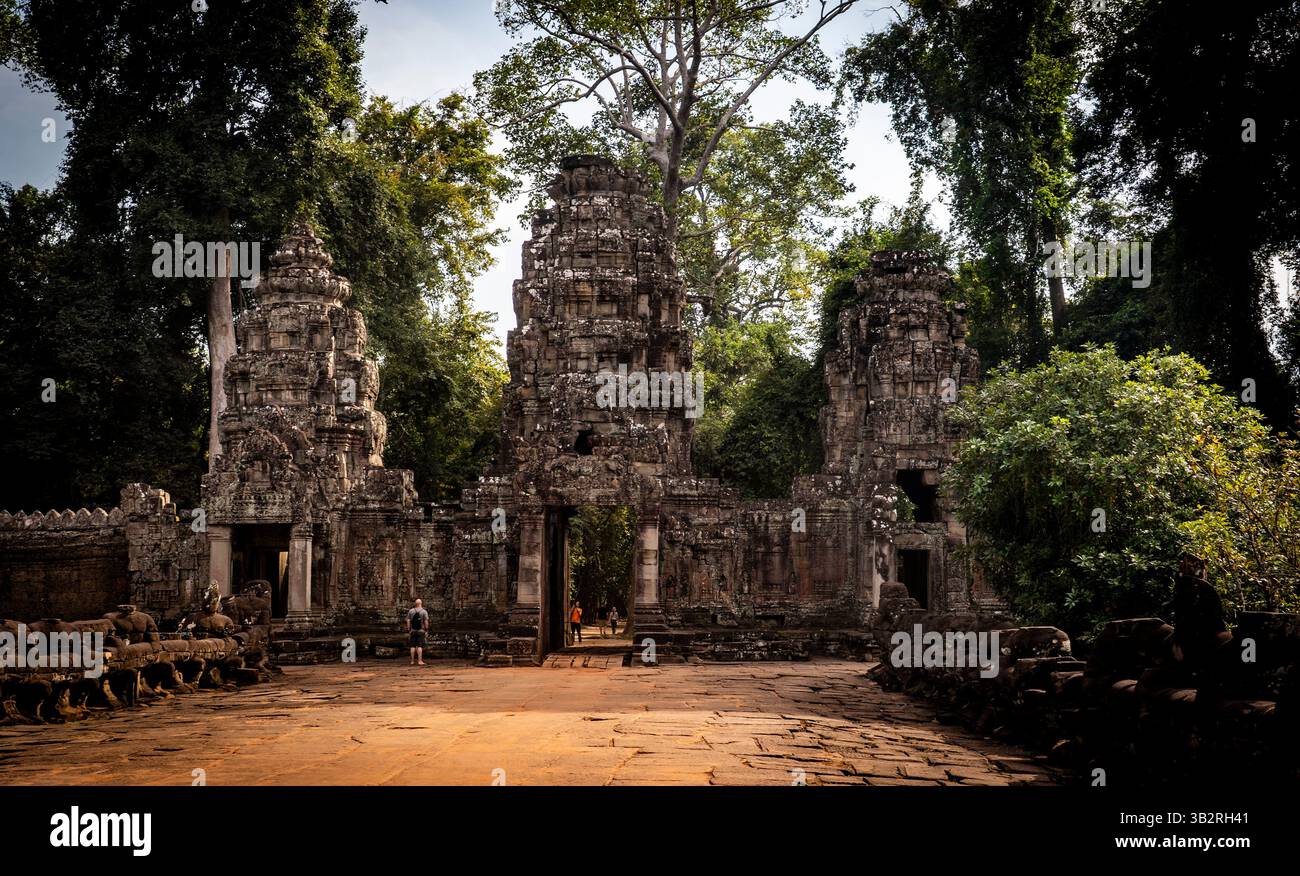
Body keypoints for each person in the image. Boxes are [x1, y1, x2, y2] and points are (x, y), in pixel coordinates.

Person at [407, 598, 429, 666]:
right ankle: (419, 661)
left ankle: (412, 661)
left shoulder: (411, 611)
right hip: (421, 631)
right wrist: (426, 630)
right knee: (419, 646)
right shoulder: (424, 611)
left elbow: (408, 620)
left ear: (415, 604)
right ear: (421, 604)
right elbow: (426, 622)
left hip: (413, 630)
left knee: (412, 646)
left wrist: (409, 629)